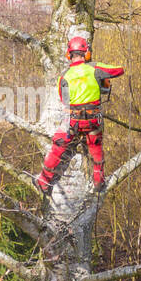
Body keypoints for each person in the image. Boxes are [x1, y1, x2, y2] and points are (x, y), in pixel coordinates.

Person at [36, 35, 125, 194]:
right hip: (93, 120)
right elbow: (119, 70)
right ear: (86, 53)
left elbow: (64, 100)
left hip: (73, 121)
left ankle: (43, 180)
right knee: (96, 147)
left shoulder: (64, 76)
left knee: (58, 145)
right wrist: (101, 79)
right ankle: (98, 181)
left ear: (69, 54)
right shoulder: (95, 68)